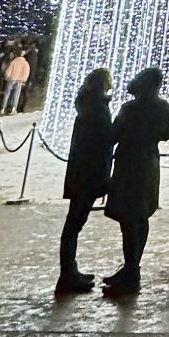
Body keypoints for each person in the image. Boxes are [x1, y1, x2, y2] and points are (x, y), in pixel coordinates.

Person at [101, 68, 169, 296]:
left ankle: (131, 271)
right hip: (149, 163)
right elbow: (167, 134)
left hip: (129, 164)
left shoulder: (130, 108)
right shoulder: (163, 107)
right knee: (140, 217)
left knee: (128, 219)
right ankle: (132, 268)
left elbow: (112, 135)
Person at [57, 68, 114, 295]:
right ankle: (68, 274)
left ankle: (70, 270)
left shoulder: (88, 104)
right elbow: (104, 139)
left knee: (74, 223)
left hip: (80, 172)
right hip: (88, 175)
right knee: (74, 224)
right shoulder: (97, 109)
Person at [1, 47, 32, 116]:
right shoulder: (25, 63)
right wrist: (23, 80)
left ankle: (3, 108)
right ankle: (13, 108)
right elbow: (26, 72)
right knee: (16, 95)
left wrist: (7, 77)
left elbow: (8, 71)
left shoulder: (13, 62)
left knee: (7, 94)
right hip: (19, 80)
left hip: (11, 79)